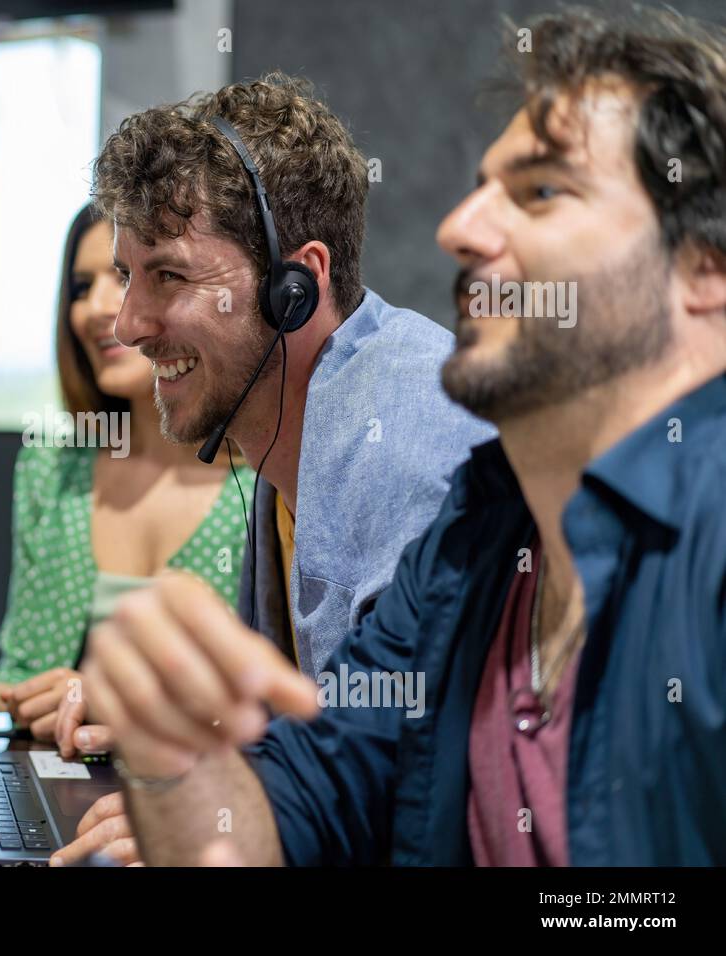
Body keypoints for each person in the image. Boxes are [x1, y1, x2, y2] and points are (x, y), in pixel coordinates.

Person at [81, 5, 726, 865]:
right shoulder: (476, 538)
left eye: (541, 189)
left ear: (705, 269)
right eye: (485, 186)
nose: (460, 227)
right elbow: (304, 806)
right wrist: (166, 751)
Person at [48, 72, 493, 864]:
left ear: (297, 287)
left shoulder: (396, 441)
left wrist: (220, 812)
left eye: (170, 276)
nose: (128, 325)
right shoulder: (299, 431)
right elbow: (334, 731)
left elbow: (400, 785)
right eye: (126, 275)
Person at [0, 204, 255, 739]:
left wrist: (115, 702)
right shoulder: (52, 470)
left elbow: (285, 697)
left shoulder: (264, 482)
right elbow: (29, 676)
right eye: (81, 286)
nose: (94, 308)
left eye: (126, 278)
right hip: (57, 785)